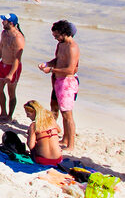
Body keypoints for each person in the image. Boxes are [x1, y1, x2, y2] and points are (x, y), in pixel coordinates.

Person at [37, 20, 79, 151]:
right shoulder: (61, 44)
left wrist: (51, 70)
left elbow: (70, 69)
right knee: (55, 108)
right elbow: (58, 60)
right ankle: (65, 138)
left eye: (56, 35)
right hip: (57, 80)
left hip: (67, 82)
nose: (55, 38)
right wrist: (48, 63)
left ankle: (71, 144)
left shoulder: (73, 47)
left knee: (67, 115)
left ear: (63, 33)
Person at [0, 13, 25, 121]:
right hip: (2, 64)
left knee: (11, 92)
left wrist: (11, 73)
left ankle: (10, 116)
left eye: (4, 21)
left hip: (13, 67)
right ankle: (3, 112)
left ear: (11, 23)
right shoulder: (4, 33)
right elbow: (0, 49)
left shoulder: (18, 38)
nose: (2, 22)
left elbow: (17, 58)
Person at [23, 100, 63, 166]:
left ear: (34, 112)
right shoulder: (51, 120)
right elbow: (59, 130)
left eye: (28, 114)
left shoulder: (33, 125)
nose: (27, 116)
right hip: (58, 160)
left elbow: (31, 145)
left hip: (43, 160)